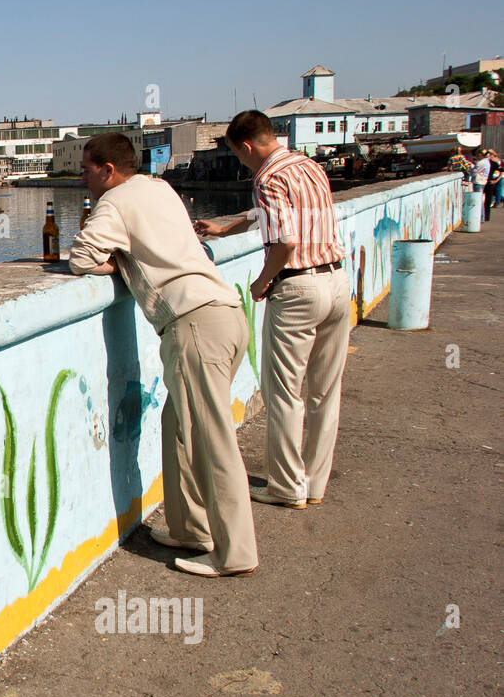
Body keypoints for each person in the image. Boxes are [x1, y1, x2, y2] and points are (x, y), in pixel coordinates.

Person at [67, 132, 258, 578]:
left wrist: (116, 264)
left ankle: (237, 553)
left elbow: (79, 257)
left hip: (193, 324)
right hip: (225, 313)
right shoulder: (159, 187)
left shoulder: (113, 203)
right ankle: (190, 529)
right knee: (178, 426)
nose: (82, 177)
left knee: (212, 440)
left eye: (87, 169)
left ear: (108, 170)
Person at [195, 110, 348, 510]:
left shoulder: (267, 177)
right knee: (324, 392)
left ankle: (285, 486)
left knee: (283, 393)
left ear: (246, 146)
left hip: (297, 288)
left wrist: (263, 281)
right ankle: (313, 483)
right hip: (335, 281)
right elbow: (285, 216)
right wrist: (226, 228)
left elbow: (284, 241)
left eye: (239, 156)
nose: (243, 164)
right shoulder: (308, 166)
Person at [472, 149, 493, 222]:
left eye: (478, 154)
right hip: (483, 181)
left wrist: (472, 170)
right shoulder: (487, 162)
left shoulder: (480, 163)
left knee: (478, 200)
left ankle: (481, 217)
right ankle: (482, 217)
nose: (477, 155)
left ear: (481, 154)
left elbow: (474, 172)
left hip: (478, 181)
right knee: (480, 199)